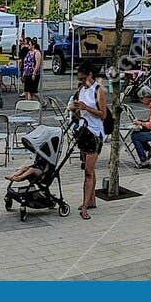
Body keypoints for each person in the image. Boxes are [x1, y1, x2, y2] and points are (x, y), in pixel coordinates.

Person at [67, 64, 106, 219]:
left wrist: (86, 108)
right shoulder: (81, 90)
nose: (82, 82)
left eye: (84, 79)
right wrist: (75, 108)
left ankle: (84, 207)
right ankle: (91, 200)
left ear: (90, 75)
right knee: (90, 169)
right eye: (80, 79)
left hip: (95, 133)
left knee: (88, 172)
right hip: (83, 131)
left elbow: (103, 114)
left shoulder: (99, 90)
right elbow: (78, 108)